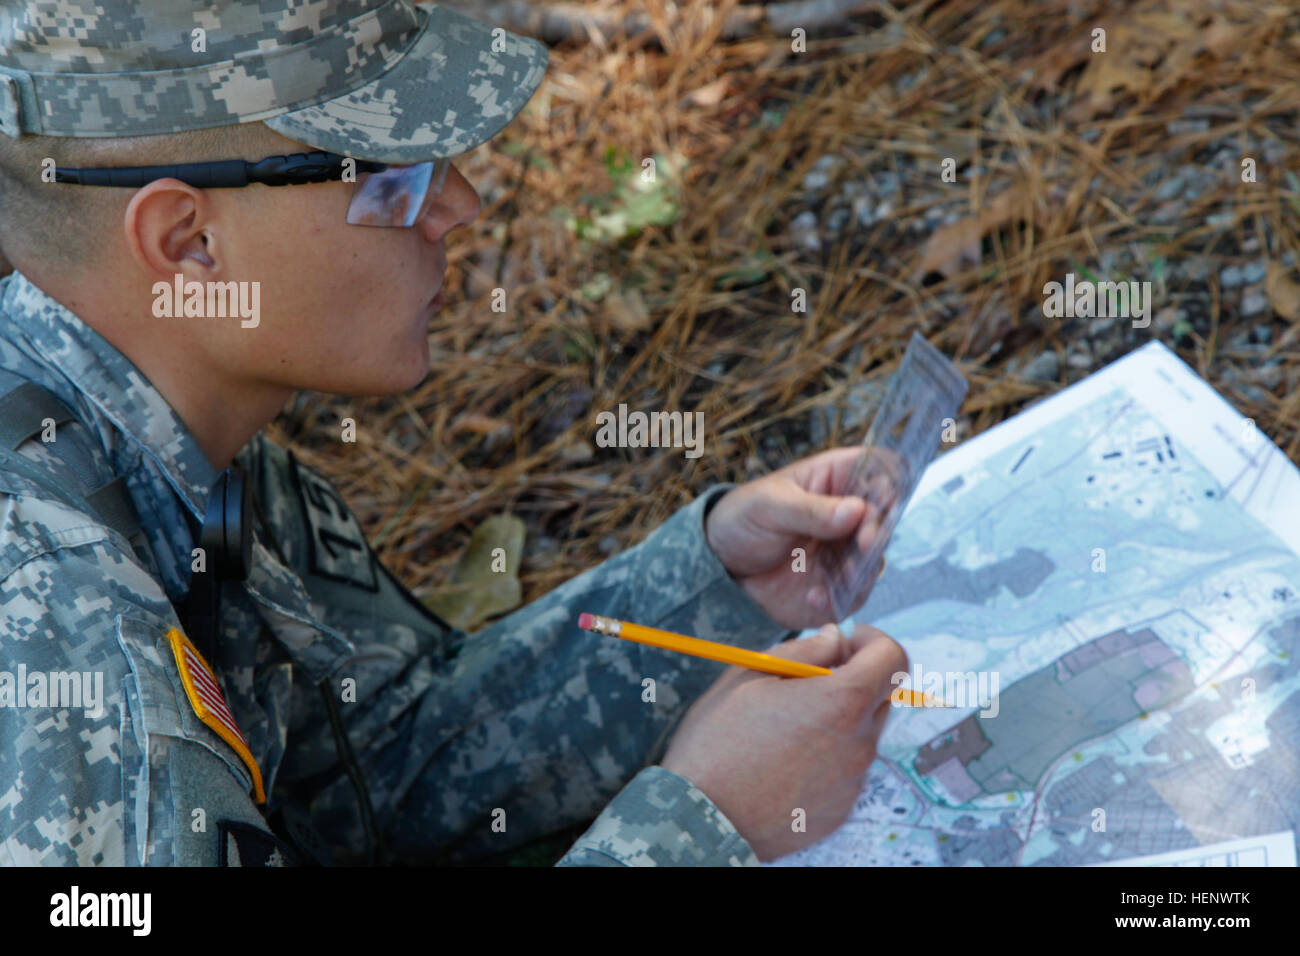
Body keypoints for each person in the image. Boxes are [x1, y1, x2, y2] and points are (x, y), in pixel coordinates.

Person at [0, 0, 906, 866]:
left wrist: (708, 590)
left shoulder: (166, 426)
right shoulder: (57, 635)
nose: (457, 206)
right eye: (393, 180)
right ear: (191, 244)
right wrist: (704, 826)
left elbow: (364, 761)